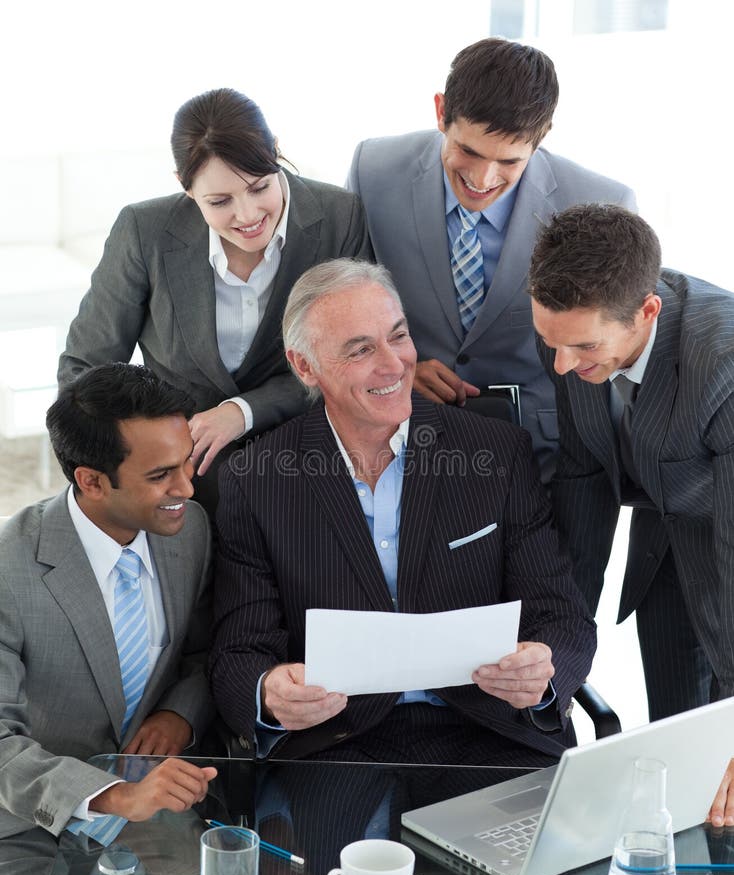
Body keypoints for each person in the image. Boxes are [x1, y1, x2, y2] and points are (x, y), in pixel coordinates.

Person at [210, 259, 596, 765]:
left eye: (398, 336)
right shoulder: (255, 479)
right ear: (305, 367)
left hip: (490, 733)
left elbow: (561, 615)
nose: (393, 365)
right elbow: (239, 652)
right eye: (360, 349)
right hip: (335, 747)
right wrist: (268, 692)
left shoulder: (498, 453)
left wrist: (544, 669)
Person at [59, 87, 371, 514]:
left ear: (276, 152)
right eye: (219, 201)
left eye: (259, 187)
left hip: (301, 452)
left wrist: (242, 411)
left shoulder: (339, 216)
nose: (247, 215)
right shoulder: (144, 230)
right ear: (185, 188)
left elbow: (348, 360)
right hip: (182, 466)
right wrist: (129, 461)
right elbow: (85, 368)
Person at [347, 37, 636, 481]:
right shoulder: (373, 169)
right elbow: (347, 308)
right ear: (441, 111)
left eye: (508, 161)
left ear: (540, 140)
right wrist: (397, 370)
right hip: (404, 443)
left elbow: (618, 351)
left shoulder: (603, 204)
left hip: (549, 460)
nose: (482, 179)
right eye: (468, 151)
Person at [528, 203, 734, 721]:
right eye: (553, 343)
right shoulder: (566, 328)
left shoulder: (724, 363)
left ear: (647, 311)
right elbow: (584, 476)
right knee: (676, 738)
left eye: (582, 347)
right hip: (665, 541)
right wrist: (563, 638)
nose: (561, 364)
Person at [0, 363, 216, 842]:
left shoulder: (190, 531)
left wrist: (179, 714)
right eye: (161, 475)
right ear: (92, 481)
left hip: (159, 812)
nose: (186, 488)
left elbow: (205, 653)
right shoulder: (8, 568)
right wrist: (115, 795)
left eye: (186, 463)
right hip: (27, 826)